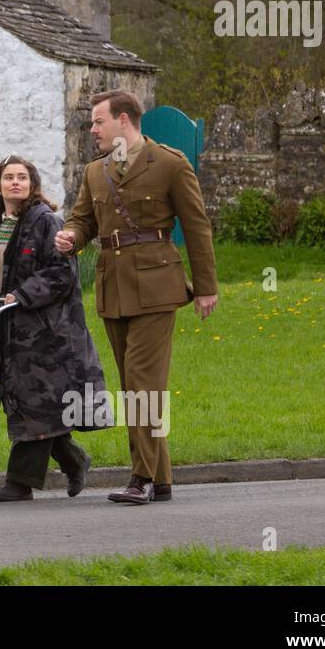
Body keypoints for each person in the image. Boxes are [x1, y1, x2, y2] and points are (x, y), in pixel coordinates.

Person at [55, 89, 217, 504]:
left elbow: (196, 227)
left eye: (98, 121)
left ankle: (141, 477)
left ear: (123, 120)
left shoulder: (168, 163)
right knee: (134, 387)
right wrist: (71, 238)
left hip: (157, 288)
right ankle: (161, 479)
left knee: (143, 385)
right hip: (114, 288)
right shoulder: (96, 172)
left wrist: (205, 287)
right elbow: (83, 219)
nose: (92, 129)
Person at [0, 155, 105, 501]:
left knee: (36, 399)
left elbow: (61, 273)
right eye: (9, 178)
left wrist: (22, 294)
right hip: (3, 327)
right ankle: (73, 459)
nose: (16, 183)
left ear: (32, 184)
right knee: (25, 400)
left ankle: (19, 483)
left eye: (23, 177)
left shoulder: (47, 222)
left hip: (45, 330)